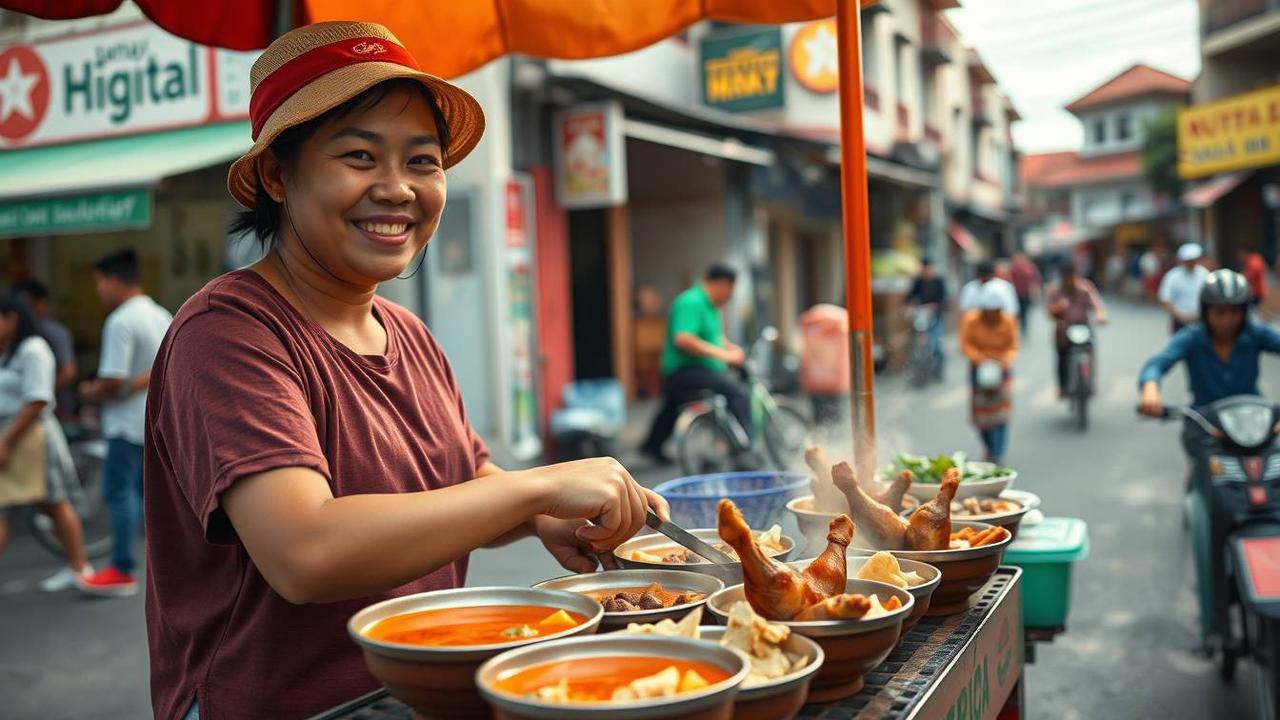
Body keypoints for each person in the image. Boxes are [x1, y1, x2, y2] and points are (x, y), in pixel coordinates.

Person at [141, 23, 668, 720]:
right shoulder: (231, 332)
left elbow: (464, 483)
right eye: (359, 156)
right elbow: (306, 551)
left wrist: (545, 515)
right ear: (276, 175)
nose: (396, 189)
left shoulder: (409, 334)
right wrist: (540, 485)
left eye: (422, 162)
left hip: (419, 687)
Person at [1137, 269, 1280, 645]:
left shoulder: (1256, 334)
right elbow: (1157, 364)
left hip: (1256, 424)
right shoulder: (1192, 338)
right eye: (1219, 312)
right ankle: (1215, 619)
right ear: (1206, 311)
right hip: (1205, 426)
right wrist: (1150, 388)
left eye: (1234, 311)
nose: (1227, 319)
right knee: (1217, 507)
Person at [74, 249, 173, 597]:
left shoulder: (120, 321)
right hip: (156, 419)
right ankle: (169, 568)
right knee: (154, 499)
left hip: (125, 423)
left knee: (119, 493)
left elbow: (112, 381)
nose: (99, 290)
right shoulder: (160, 314)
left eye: (100, 282)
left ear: (115, 280)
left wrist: (90, 390)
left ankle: (121, 567)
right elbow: (167, 363)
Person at [0, 296, 91, 591]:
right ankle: (77, 565)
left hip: (30, 434)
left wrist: (6, 440)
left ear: (11, 319)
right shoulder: (7, 353)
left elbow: (37, 399)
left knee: (53, 501)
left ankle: (79, 565)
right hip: (12, 432)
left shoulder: (33, 349)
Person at [641, 264, 748, 464]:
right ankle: (744, 450)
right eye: (730, 290)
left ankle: (651, 446)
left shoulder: (711, 306)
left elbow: (714, 338)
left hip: (697, 370)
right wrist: (723, 356)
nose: (730, 296)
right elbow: (683, 339)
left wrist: (732, 349)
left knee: (670, 409)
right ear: (721, 284)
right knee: (738, 392)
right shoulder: (691, 302)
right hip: (685, 370)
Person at [959, 286, 1019, 464]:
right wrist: (980, 359)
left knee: (1001, 414)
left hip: (1001, 369)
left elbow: (1013, 346)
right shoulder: (971, 320)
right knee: (981, 416)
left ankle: (997, 454)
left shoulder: (1008, 321)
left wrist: (1004, 361)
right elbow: (965, 344)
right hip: (979, 369)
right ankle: (989, 448)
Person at [12, 280, 77, 419]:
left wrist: (39, 393)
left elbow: (68, 372)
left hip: (52, 410)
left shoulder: (46, 338)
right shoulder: (16, 336)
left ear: (41, 303)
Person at [1045, 263, 1108, 398]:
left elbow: (1096, 304)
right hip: (1064, 330)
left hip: (1083, 327)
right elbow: (1048, 311)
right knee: (1062, 357)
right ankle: (1062, 386)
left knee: (1090, 352)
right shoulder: (1055, 291)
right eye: (1067, 278)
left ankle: (1089, 381)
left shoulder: (1085, 288)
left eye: (1072, 277)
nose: (1070, 281)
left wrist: (1101, 315)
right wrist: (1058, 307)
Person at [904, 258, 948, 371]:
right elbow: (910, 296)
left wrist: (935, 306)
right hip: (922, 315)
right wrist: (908, 305)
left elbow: (943, 299)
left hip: (936, 316)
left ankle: (938, 368)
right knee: (916, 338)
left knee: (936, 343)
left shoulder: (939, 281)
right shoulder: (918, 281)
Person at [1158, 243, 1209, 334]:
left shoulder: (1204, 274)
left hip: (1200, 318)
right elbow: (1165, 298)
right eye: (1188, 261)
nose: (1190, 263)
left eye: (1192, 260)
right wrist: (1179, 315)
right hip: (1179, 320)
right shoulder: (1172, 276)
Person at [1009, 252, 1041, 333]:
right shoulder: (1014, 268)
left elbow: (1035, 278)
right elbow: (1010, 279)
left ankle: (1024, 326)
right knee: (1020, 310)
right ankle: (1021, 325)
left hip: (1026, 292)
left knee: (1025, 310)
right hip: (1016, 292)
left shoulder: (1029, 266)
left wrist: (1036, 289)